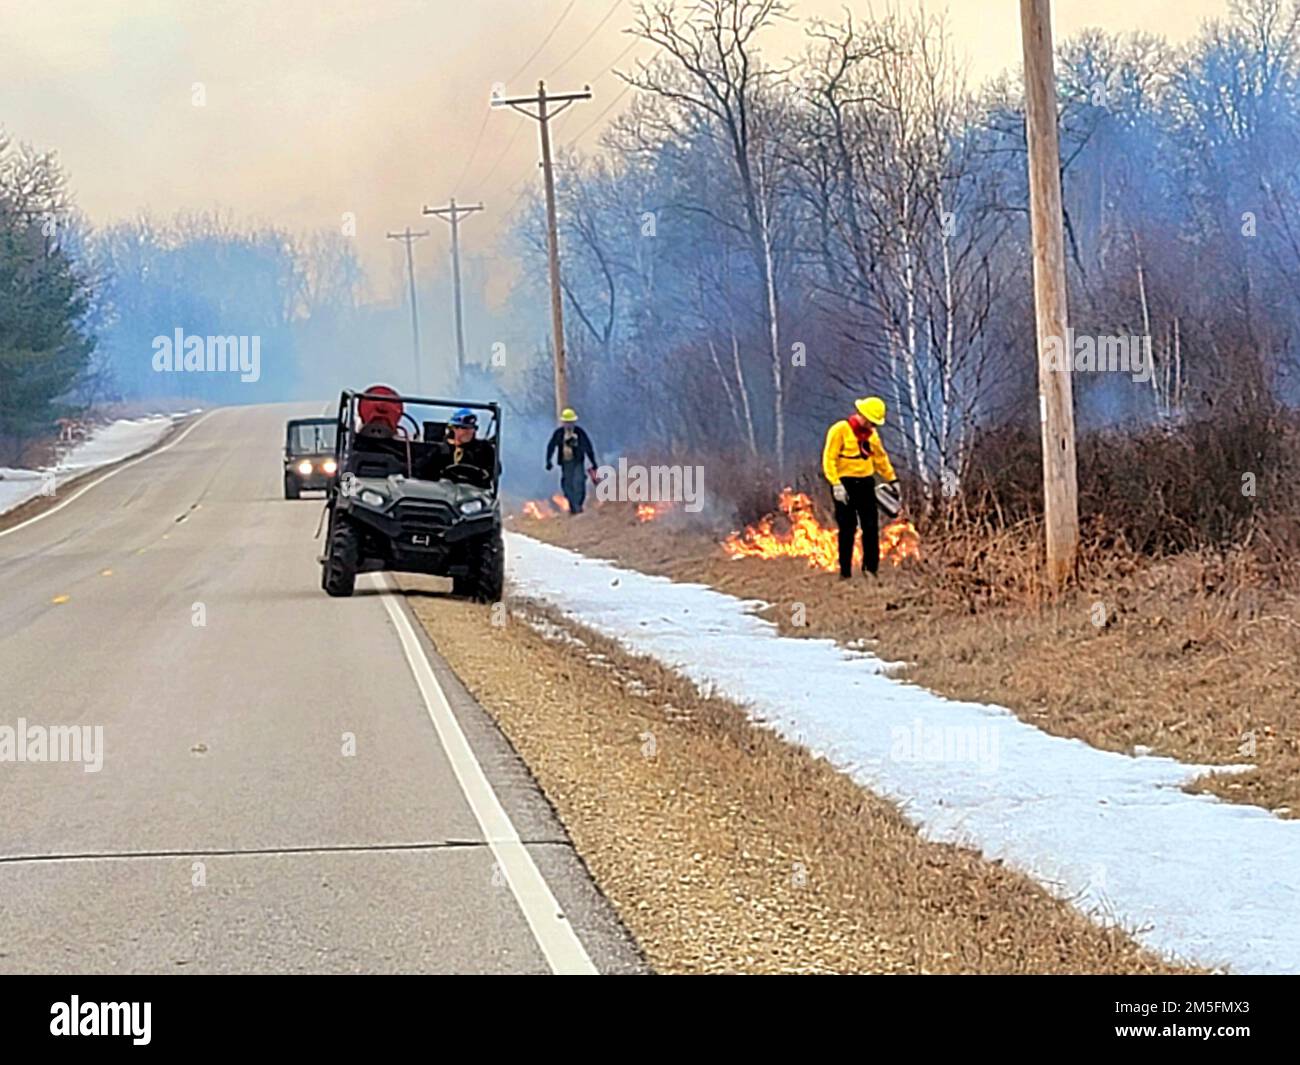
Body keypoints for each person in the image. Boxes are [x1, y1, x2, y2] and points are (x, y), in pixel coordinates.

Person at [822, 395, 900, 580]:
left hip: (866, 482)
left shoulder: (872, 436)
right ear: (863, 416)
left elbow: (880, 458)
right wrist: (835, 483)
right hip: (845, 484)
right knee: (847, 528)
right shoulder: (840, 430)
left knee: (871, 527)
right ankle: (845, 573)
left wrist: (892, 479)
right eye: (871, 422)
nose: (873, 427)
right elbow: (829, 459)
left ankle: (871, 569)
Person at [545, 408, 597, 514]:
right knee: (567, 485)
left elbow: (588, 447)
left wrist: (593, 462)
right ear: (563, 422)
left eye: (571, 422)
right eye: (566, 422)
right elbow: (551, 446)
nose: (569, 425)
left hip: (577, 462)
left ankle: (578, 505)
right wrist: (548, 461)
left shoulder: (579, 433)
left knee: (579, 482)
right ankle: (573, 505)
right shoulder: (559, 433)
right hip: (566, 463)